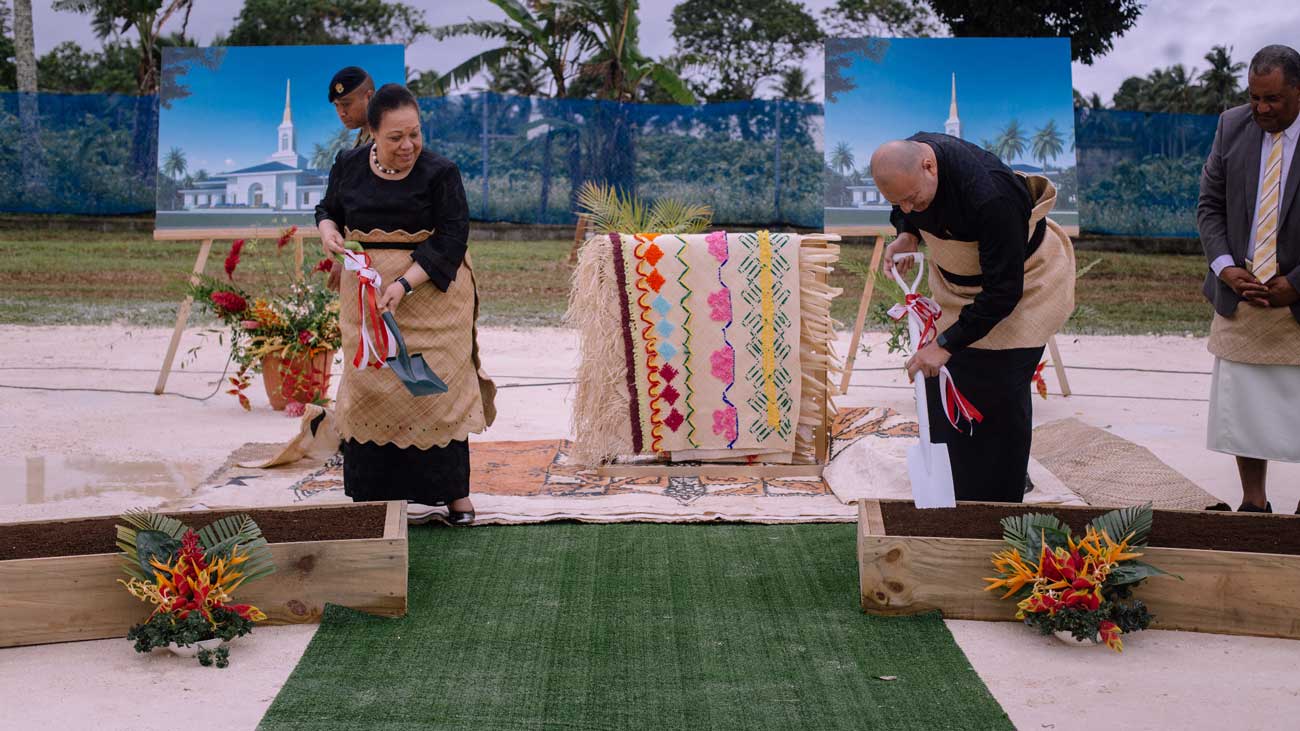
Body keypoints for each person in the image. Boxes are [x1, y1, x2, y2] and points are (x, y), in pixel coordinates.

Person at [316, 83, 496, 526]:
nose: (408, 145)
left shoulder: (441, 172)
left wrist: (404, 284)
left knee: (437, 389)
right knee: (373, 385)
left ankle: (453, 495)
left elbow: (453, 236)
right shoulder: (349, 164)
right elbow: (329, 207)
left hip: (433, 293)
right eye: (395, 137)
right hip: (368, 295)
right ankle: (373, 496)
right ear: (373, 132)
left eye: (414, 134)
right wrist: (327, 230)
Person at [871, 134, 1076, 502]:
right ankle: (956, 489)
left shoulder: (991, 196)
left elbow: (1002, 294)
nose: (907, 206)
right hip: (959, 286)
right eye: (896, 201)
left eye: (912, 198)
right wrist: (906, 233)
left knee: (998, 381)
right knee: (945, 379)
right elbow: (906, 208)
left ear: (929, 166)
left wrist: (945, 343)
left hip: (1025, 283)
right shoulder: (913, 169)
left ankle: (999, 496)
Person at [1197, 44, 1300, 514]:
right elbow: (1210, 206)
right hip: (1241, 299)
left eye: (1273, 99)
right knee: (1244, 408)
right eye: (1255, 98)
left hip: (1295, 301)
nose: (1260, 109)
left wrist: (1297, 283)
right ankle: (1254, 504)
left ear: (1298, 92)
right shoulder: (1231, 125)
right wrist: (1226, 267)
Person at [328, 66, 375, 149]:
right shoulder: (361, 139)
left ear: (369, 97)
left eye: (346, 104)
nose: (341, 113)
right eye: (336, 105)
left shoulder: (385, 137)